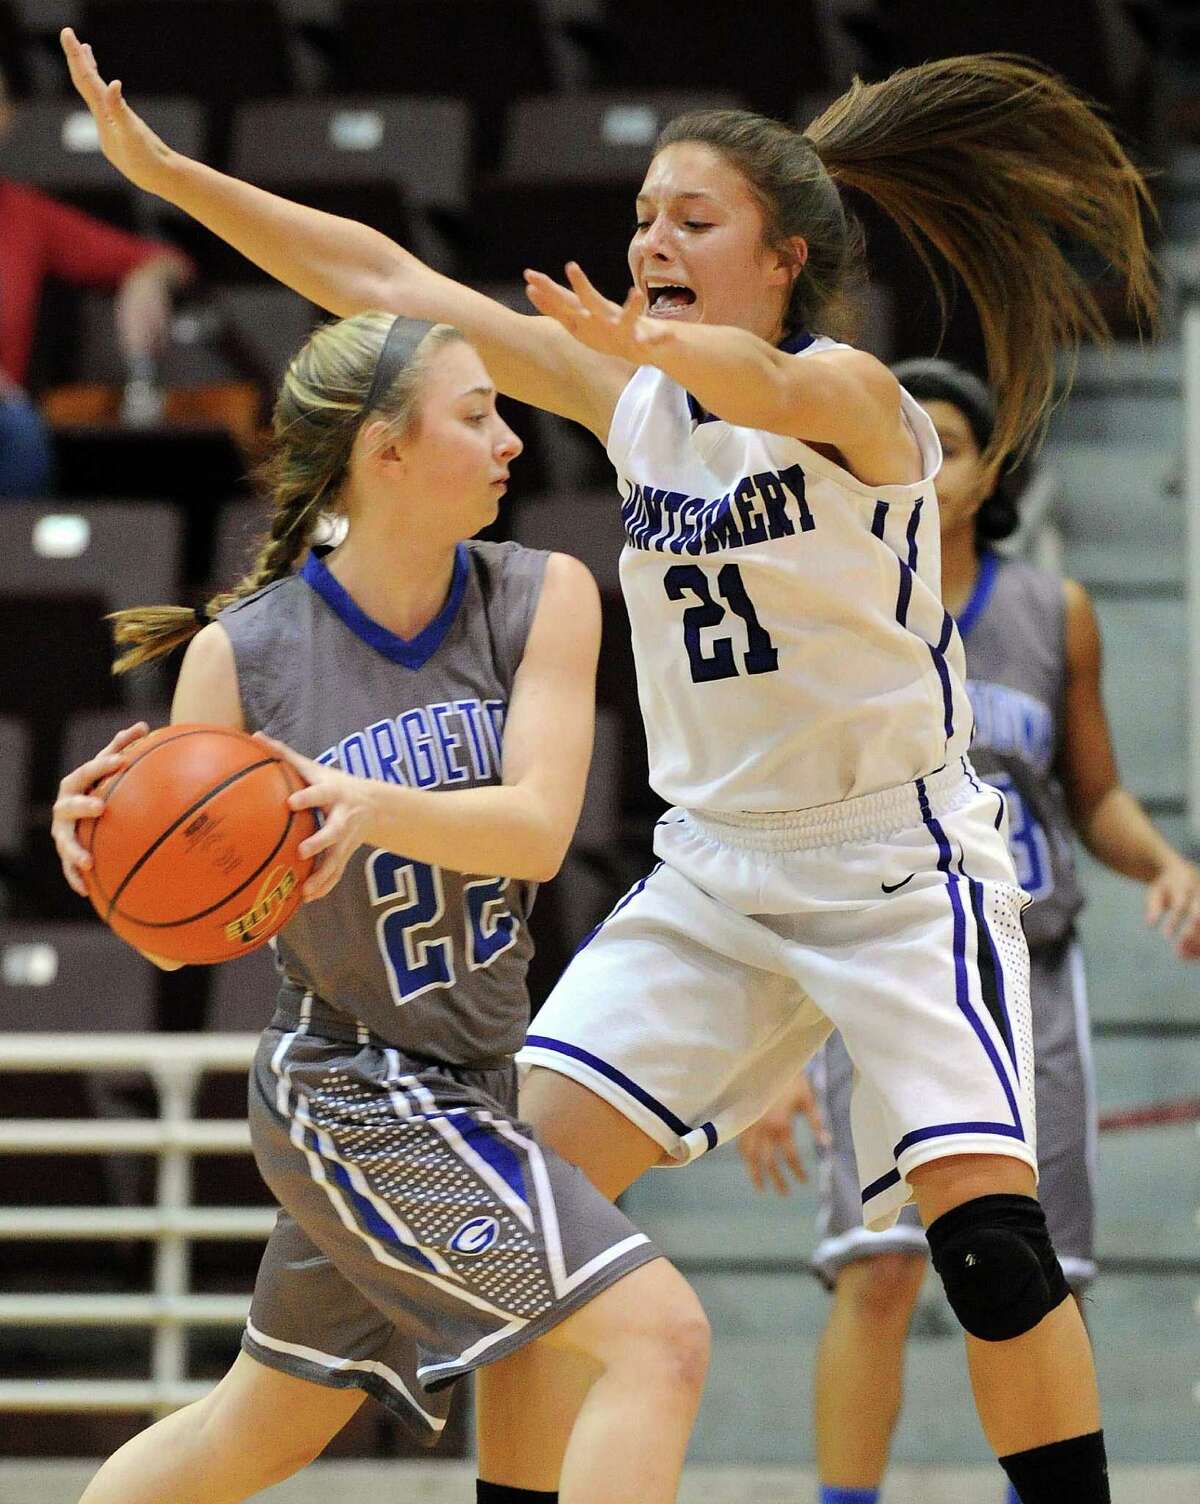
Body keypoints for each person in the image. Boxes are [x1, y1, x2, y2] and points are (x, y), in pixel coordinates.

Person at [61, 27, 1158, 1502]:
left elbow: (771, 394)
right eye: (641, 216)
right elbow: (387, 282)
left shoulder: (857, 402)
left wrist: (657, 350)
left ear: (781, 260)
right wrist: (177, 177)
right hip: (714, 870)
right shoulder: (638, 403)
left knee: (993, 1252)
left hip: (894, 864)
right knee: (534, 1215)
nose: (650, 239)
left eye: (690, 221)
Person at [50, 310, 710, 1504]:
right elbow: (182, 914)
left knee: (252, 1433)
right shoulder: (241, 658)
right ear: (382, 450)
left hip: (475, 1078)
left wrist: (363, 800)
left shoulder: (541, 593)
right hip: (351, 1082)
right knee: (655, 1340)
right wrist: (96, 851)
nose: (513, 441)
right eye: (477, 415)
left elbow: (541, 827)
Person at [737, 357, 1200, 1504]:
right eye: (911, 437)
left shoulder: (1056, 609)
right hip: (877, 961)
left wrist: (1164, 859)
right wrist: (776, 1038)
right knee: (880, 1267)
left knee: (1031, 1269)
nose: (934, 465)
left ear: (992, 468)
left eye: (955, 441)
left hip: (1027, 972)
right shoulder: (821, 613)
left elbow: (1094, 796)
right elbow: (769, 818)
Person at [0, 61, 191, 496]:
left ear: (6, 118)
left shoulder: (23, 214)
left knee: (21, 433)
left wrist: (149, 276)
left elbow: (159, 257)